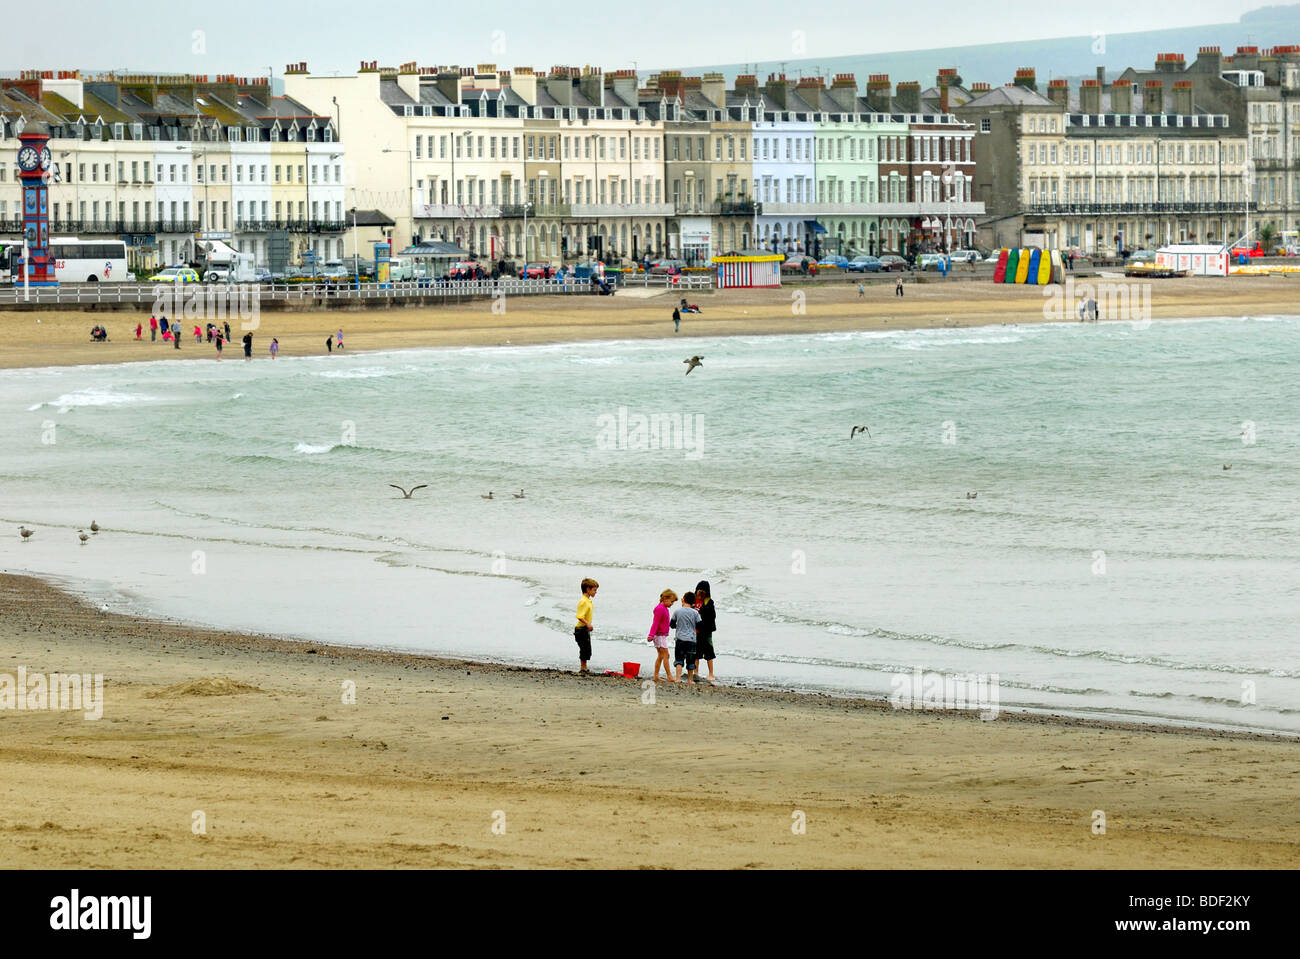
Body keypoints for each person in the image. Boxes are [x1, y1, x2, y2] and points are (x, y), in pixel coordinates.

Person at [671, 591, 703, 684]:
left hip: (680, 639)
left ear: (683, 599)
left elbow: (672, 624)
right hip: (691, 640)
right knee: (691, 661)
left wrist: (678, 626)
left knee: (679, 660)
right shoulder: (695, 613)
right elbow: (700, 626)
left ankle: (677, 679)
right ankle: (690, 680)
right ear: (693, 603)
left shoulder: (677, 611)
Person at [647, 589, 678, 682]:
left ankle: (656, 676)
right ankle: (669, 676)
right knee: (666, 655)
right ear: (664, 598)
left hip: (661, 635)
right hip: (658, 635)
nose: (672, 604)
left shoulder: (664, 608)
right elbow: (655, 623)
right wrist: (651, 635)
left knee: (661, 656)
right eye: (671, 601)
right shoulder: (660, 609)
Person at [694, 580, 718, 684]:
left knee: (709, 653)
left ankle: (711, 673)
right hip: (695, 631)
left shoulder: (709, 602)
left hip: (706, 631)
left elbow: (712, 616)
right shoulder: (693, 600)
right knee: (696, 653)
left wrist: (702, 613)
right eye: (699, 592)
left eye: (703, 592)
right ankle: (695, 672)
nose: (701, 594)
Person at [574, 577, 599, 675]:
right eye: (594, 590)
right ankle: (583, 668)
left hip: (584, 629)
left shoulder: (588, 600)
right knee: (584, 648)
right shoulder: (583, 601)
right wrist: (588, 624)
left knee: (587, 649)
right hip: (581, 629)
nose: (596, 592)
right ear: (588, 589)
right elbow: (579, 616)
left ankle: (584, 667)